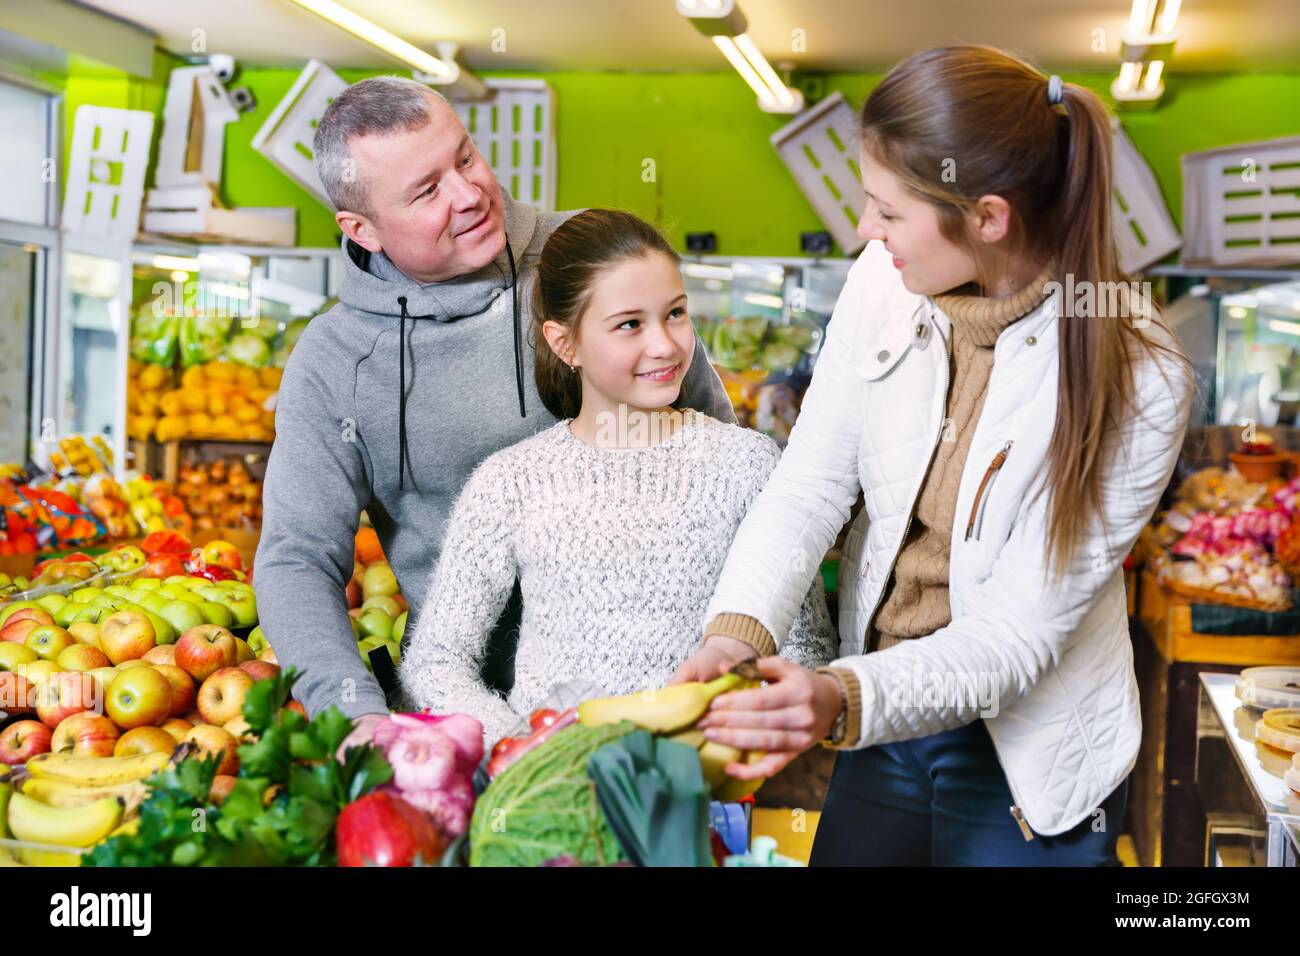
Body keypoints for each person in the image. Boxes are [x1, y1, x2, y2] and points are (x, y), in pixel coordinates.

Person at [673, 45, 1194, 865]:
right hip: (882, 718)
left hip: (1026, 754)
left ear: (987, 218)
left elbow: (1015, 637)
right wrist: (740, 628)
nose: (863, 230)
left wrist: (838, 696)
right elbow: (809, 484)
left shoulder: (1139, 370)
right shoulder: (881, 283)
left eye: (886, 210)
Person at [254, 77, 736, 749]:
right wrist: (355, 710)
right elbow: (297, 557)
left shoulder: (585, 261)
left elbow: (721, 455)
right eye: (426, 191)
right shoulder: (337, 361)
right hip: (468, 710)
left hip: (668, 689)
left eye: (465, 156)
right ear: (362, 228)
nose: (468, 194)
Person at [397, 209, 835, 745]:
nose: (666, 345)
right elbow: (436, 660)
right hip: (546, 796)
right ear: (565, 343)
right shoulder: (510, 482)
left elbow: (806, 653)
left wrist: (728, 740)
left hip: (706, 792)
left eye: (675, 313)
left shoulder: (749, 464)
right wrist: (521, 746)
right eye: (630, 324)